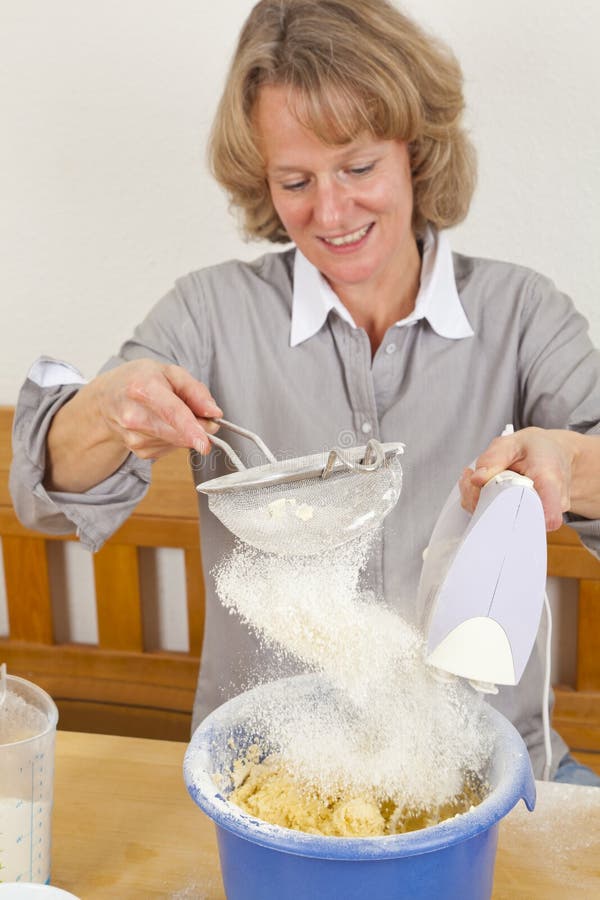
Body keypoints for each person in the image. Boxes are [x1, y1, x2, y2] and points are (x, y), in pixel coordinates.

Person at [10, 0, 600, 785]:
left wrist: (569, 461)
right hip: (273, 777)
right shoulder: (208, 314)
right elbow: (42, 496)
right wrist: (109, 409)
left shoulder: (524, 316)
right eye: (295, 180)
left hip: (487, 771)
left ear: (416, 153)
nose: (329, 213)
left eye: (358, 167)